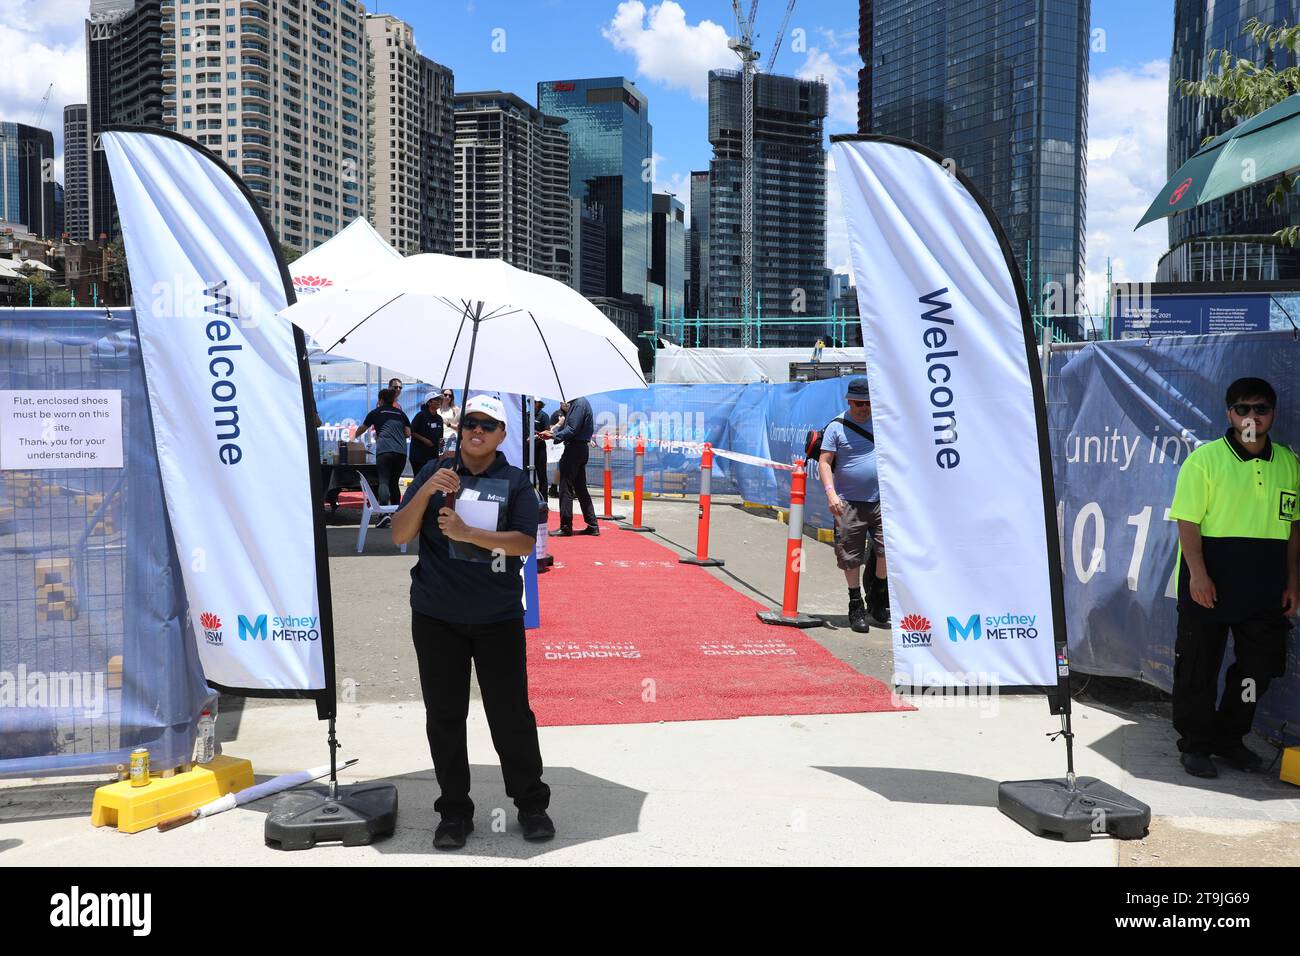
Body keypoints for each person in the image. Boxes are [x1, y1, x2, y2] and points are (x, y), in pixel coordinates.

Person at [391, 395, 553, 849]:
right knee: (444, 716)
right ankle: (455, 811)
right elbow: (401, 534)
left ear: (503, 434)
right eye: (469, 424)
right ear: (459, 429)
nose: (476, 431)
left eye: (488, 425)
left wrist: (469, 534)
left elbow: (524, 543)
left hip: (496, 617)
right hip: (436, 615)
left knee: (510, 716)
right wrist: (426, 490)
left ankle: (531, 804)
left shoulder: (516, 482)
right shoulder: (433, 472)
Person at [1169, 377, 1299, 779]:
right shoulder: (1204, 460)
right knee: (1198, 667)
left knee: (1256, 669)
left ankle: (1230, 737)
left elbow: (1294, 527)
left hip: (1265, 587)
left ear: (1272, 414)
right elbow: (1188, 521)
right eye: (1242, 409)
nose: (1251, 417)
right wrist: (1198, 575)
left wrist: (1293, 583)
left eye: (1260, 409)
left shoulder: (1290, 463)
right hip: (1210, 581)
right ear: (1229, 414)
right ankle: (1195, 745)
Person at [818, 378, 887, 633]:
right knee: (850, 557)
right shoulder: (837, 427)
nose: (864, 408)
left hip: (883, 501)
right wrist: (831, 494)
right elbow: (824, 462)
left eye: (868, 403)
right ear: (849, 401)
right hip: (848, 502)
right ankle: (855, 602)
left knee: (886, 551)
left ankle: (879, 595)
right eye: (859, 403)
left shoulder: (881, 422)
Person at [540, 396, 598, 536]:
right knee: (580, 488)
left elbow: (572, 429)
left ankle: (566, 526)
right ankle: (592, 524)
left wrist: (553, 436)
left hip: (574, 449)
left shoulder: (578, 405)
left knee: (565, 487)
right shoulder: (581, 404)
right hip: (579, 449)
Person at [355, 387, 410, 528]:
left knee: (384, 481)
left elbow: (362, 428)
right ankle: (396, 515)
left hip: (384, 450)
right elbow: (408, 433)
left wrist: (351, 438)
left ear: (380, 400)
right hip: (401, 452)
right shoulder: (400, 413)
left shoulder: (375, 412)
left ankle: (383, 514)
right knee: (394, 482)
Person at [409, 395, 444, 476]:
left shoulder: (439, 418)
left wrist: (441, 454)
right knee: (419, 480)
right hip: (419, 456)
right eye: (435, 399)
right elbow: (412, 431)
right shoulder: (420, 415)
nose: (438, 401)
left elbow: (441, 438)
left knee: (430, 480)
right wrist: (425, 440)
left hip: (433, 457)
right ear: (428, 402)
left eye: (439, 399)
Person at [529, 398, 550, 502]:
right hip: (528, 449)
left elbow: (547, 431)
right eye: (529, 401)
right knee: (528, 474)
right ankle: (529, 499)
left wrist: (534, 437)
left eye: (533, 402)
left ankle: (544, 501)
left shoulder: (543, 415)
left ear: (539, 404)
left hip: (539, 448)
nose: (530, 403)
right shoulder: (527, 415)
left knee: (542, 475)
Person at [437, 388, 461, 454]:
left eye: (450, 396)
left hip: (451, 438)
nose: (447, 397)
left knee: (450, 461)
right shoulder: (437, 409)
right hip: (439, 439)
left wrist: (448, 424)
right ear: (441, 396)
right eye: (445, 395)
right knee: (441, 460)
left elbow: (460, 428)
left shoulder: (455, 409)